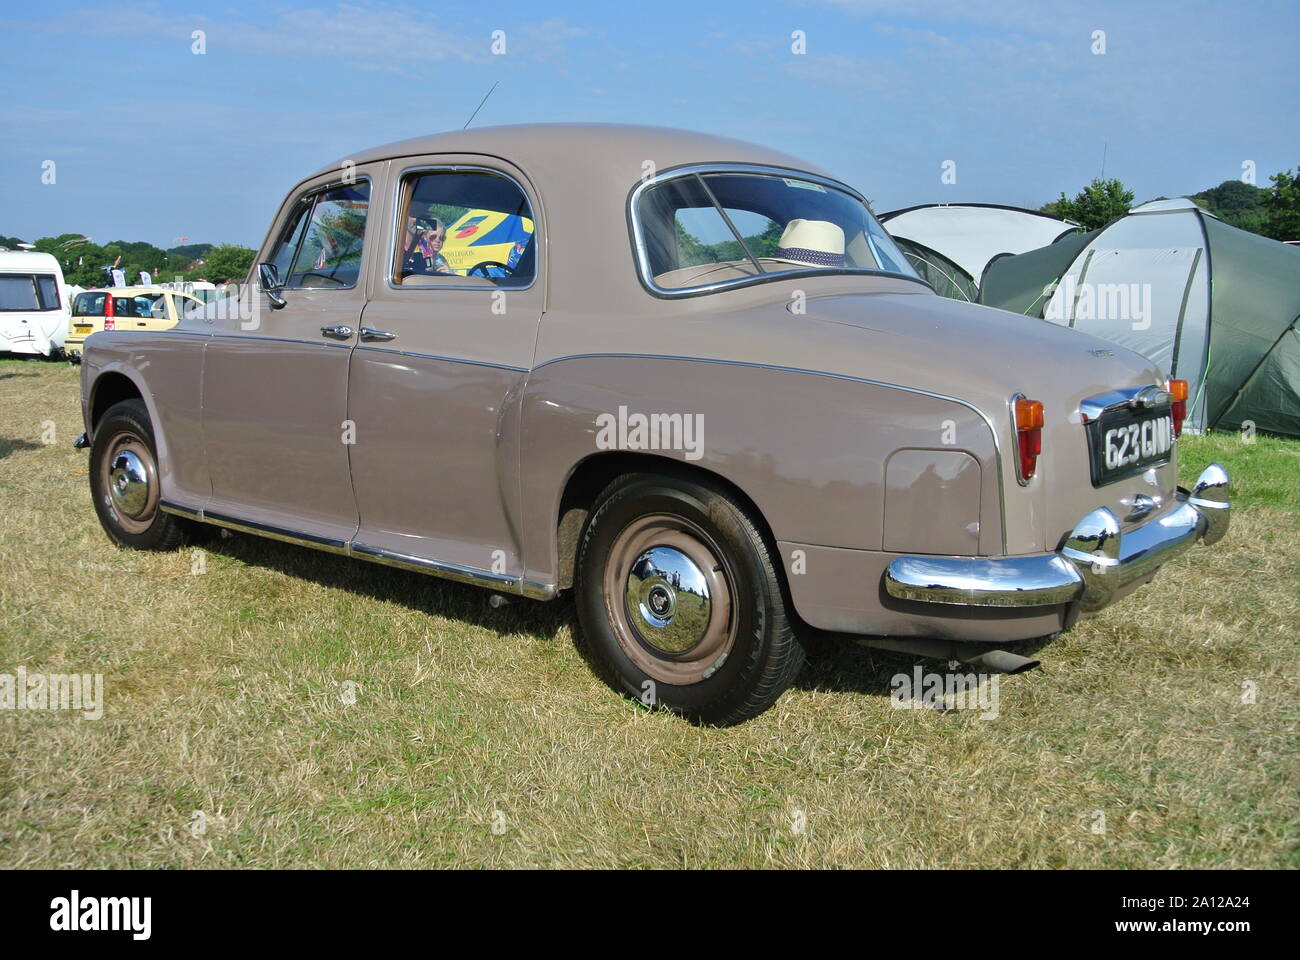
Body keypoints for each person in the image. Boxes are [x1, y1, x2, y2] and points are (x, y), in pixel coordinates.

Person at [400, 208, 452, 277]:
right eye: (413, 215)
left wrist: (445, 274)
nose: (417, 220)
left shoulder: (426, 249)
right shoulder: (395, 247)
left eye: (422, 217)